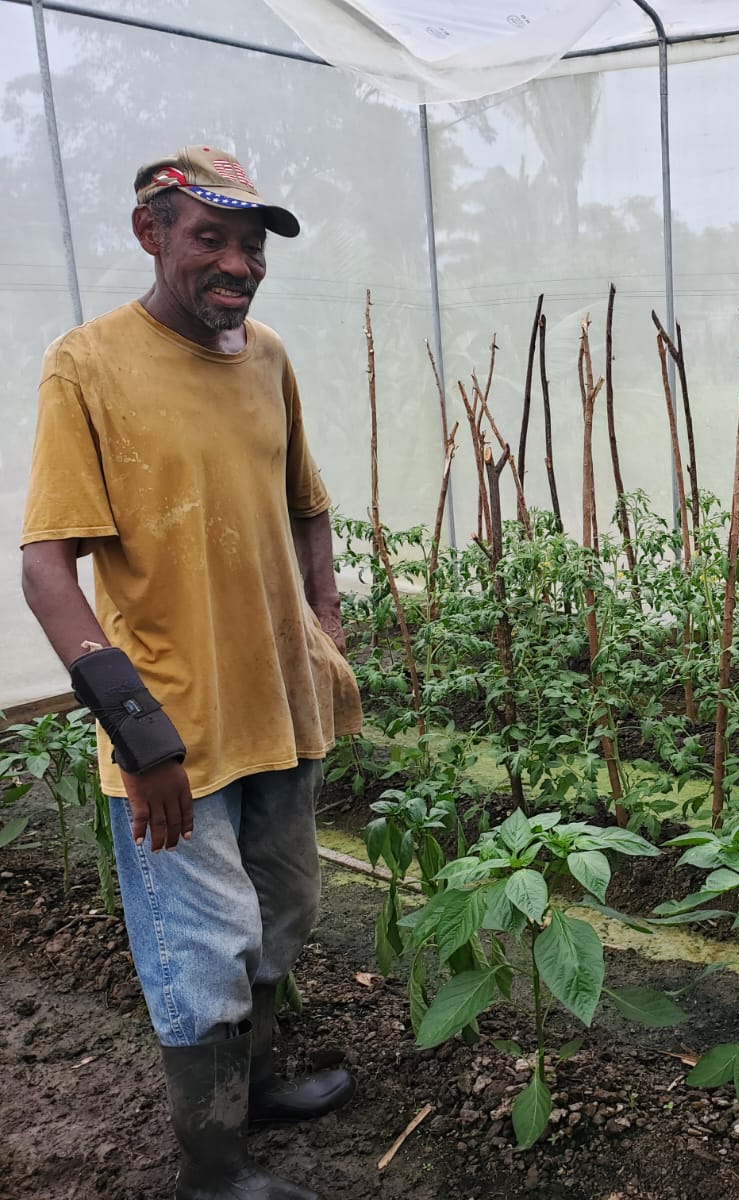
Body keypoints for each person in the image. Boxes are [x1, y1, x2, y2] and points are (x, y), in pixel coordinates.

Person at [19, 145, 363, 1200]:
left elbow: (307, 500)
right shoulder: (89, 365)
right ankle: (213, 1173)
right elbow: (45, 570)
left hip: (279, 708)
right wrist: (135, 726)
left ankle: (251, 1092)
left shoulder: (265, 356)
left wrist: (325, 623)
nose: (238, 264)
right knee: (200, 951)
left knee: (282, 912)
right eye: (211, 238)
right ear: (152, 234)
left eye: (251, 245)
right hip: (171, 730)